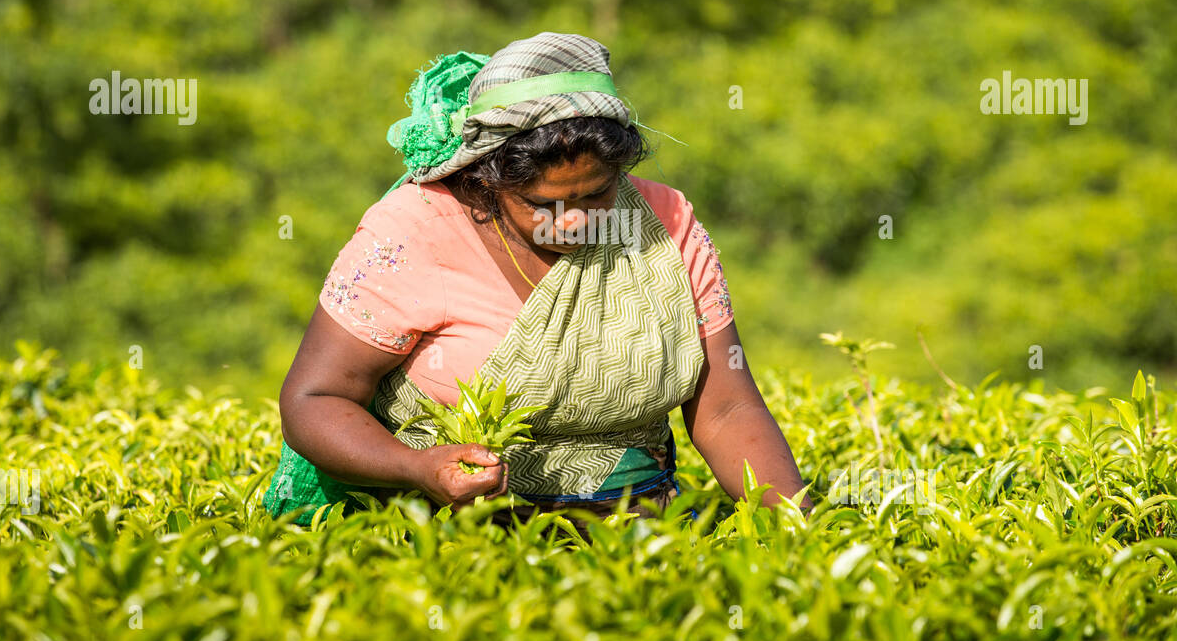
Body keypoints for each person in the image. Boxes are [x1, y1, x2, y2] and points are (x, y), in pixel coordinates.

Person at [263, 32, 811, 528]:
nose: (573, 221)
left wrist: (800, 529)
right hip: (447, 547)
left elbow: (727, 409)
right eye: (542, 203)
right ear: (485, 178)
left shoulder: (663, 221)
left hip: (635, 542)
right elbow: (316, 396)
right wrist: (413, 467)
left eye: (596, 193)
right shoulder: (415, 230)